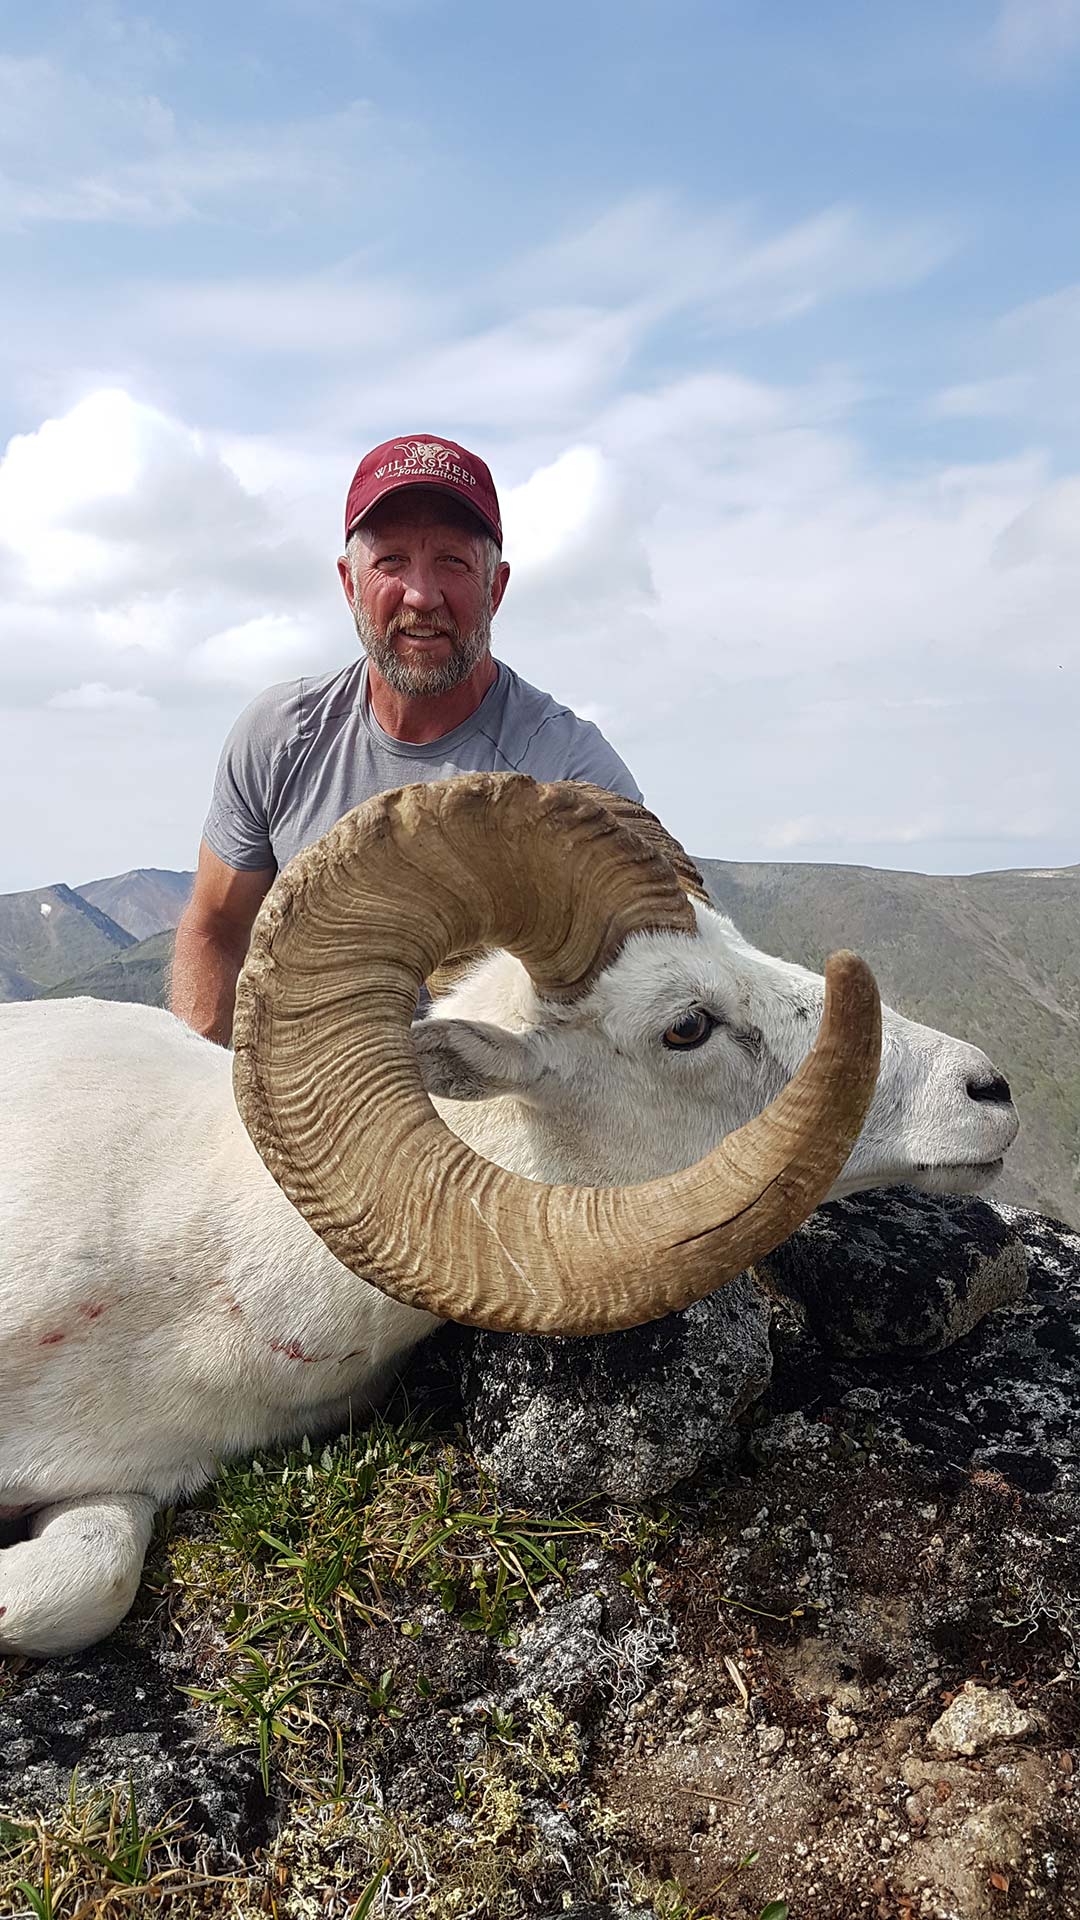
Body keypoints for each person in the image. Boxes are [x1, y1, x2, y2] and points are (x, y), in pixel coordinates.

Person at [170, 434, 644, 1044]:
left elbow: (641, 987)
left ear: (496, 588)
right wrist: (221, 1091)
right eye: (391, 561)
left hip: (498, 1118)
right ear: (348, 583)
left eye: (452, 562)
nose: (421, 595)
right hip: (309, 1106)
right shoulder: (279, 738)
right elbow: (215, 926)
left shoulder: (569, 772)